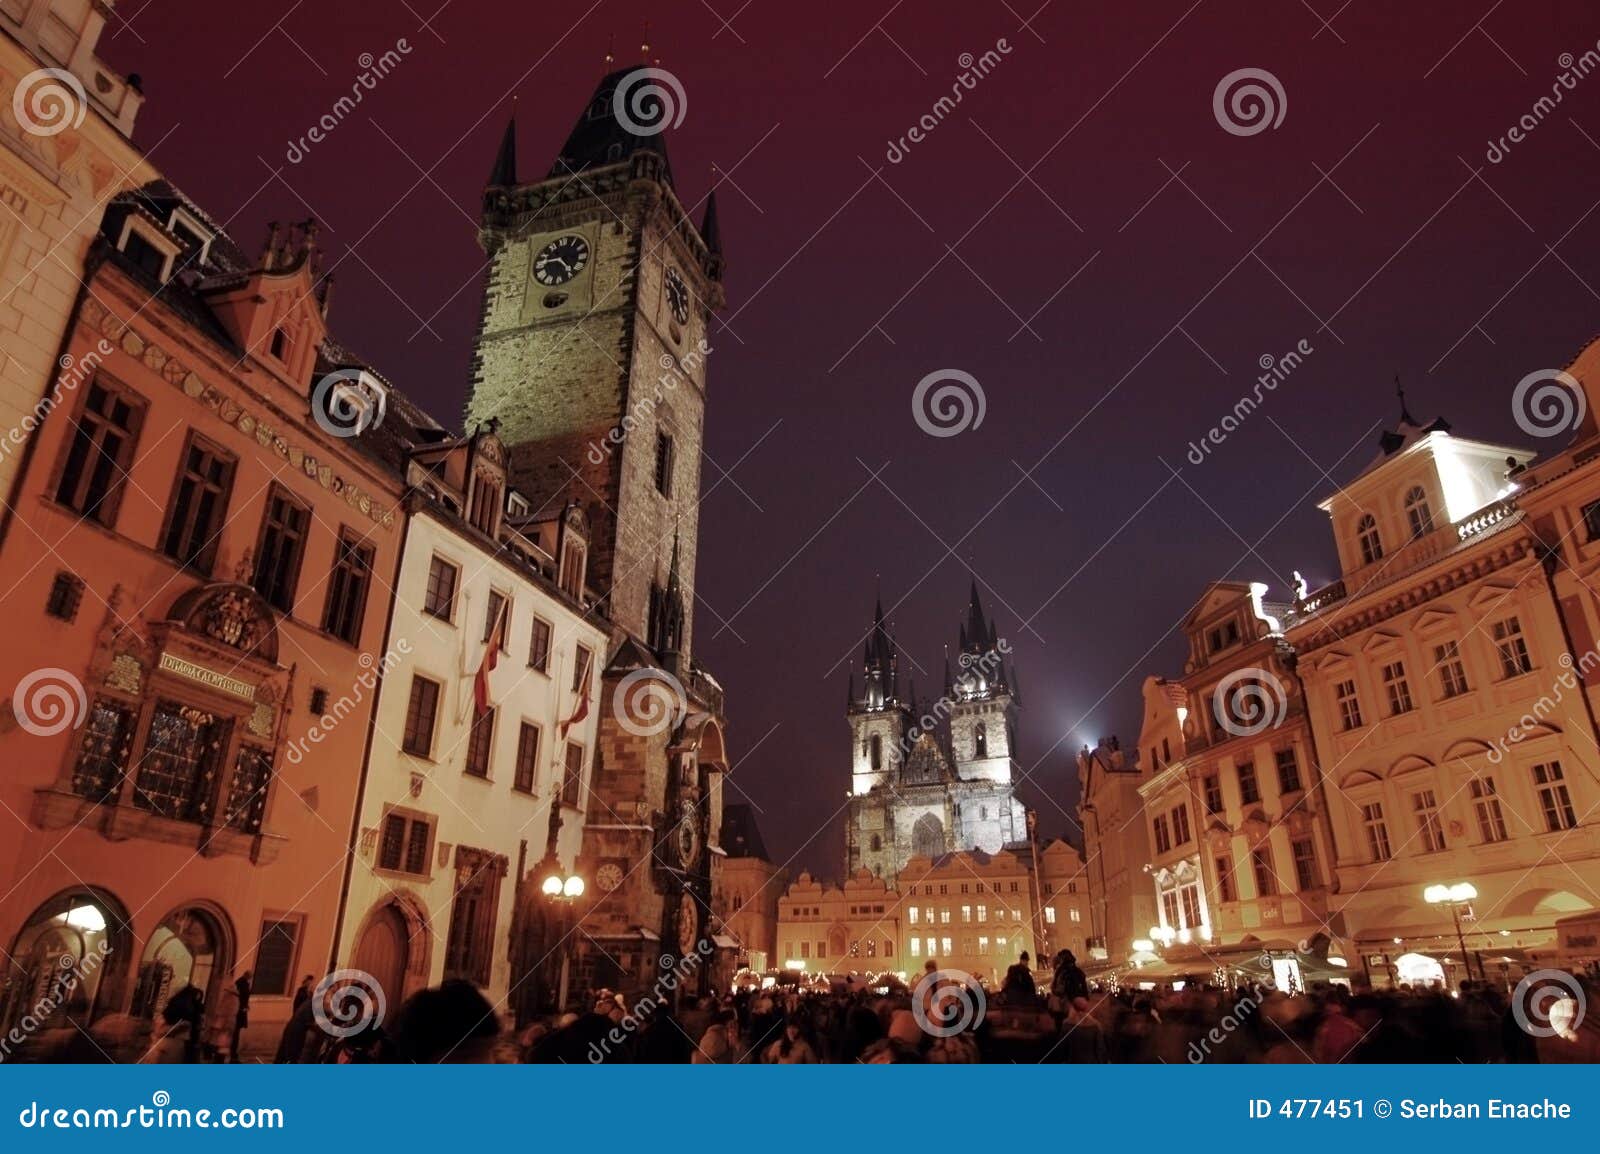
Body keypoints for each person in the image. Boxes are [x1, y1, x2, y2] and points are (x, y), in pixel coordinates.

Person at [228, 971, 252, 1062]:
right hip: (239, 1012)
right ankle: (233, 1055)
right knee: (235, 1033)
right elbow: (243, 996)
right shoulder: (242, 984)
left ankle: (233, 1054)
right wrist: (244, 1006)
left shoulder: (240, 983)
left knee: (235, 1033)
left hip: (240, 1011)